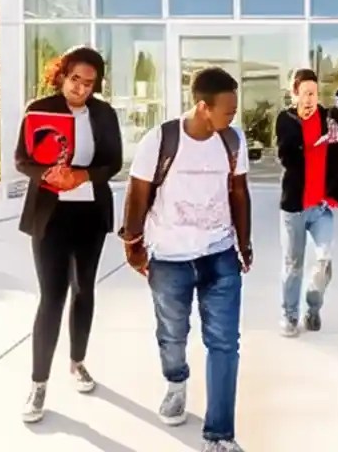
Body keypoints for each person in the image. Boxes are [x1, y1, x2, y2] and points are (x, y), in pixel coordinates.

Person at [119, 66, 252, 452]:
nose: (233, 117)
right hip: (170, 259)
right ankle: (176, 382)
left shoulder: (232, 139)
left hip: (219, 255)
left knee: (225, 343)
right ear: (203, 106)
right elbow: (138, 193)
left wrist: (244, 243)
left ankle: (220, 435)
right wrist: (134, 244)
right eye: (227, 110)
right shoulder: (161, 139)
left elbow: (239, 193)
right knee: (173, 335)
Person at [15, 45, 124, 423]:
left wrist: (81, 175)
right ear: (62, 74)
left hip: (90, 212)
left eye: (89, 84)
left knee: (85, 289)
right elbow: (21, 158)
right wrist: (48, 175)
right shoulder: (39, 109)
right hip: (50, 213)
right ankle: (38, 383)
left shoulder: (104, 113)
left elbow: (112, 161)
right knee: (52, 296)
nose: (81, 88)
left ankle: (77, 363)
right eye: (75, 79)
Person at [274, 69, 338, 336]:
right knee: (294, 266)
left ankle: (313, 308)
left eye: (315, 93)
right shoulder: (285, 120)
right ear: (294, 94)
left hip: (320, 208)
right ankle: (289, 316)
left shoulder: (328, 117)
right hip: (295, 209)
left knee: (323, 262)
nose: (311, 99)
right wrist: (313, 145)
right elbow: (286, 156)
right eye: (306, 93)